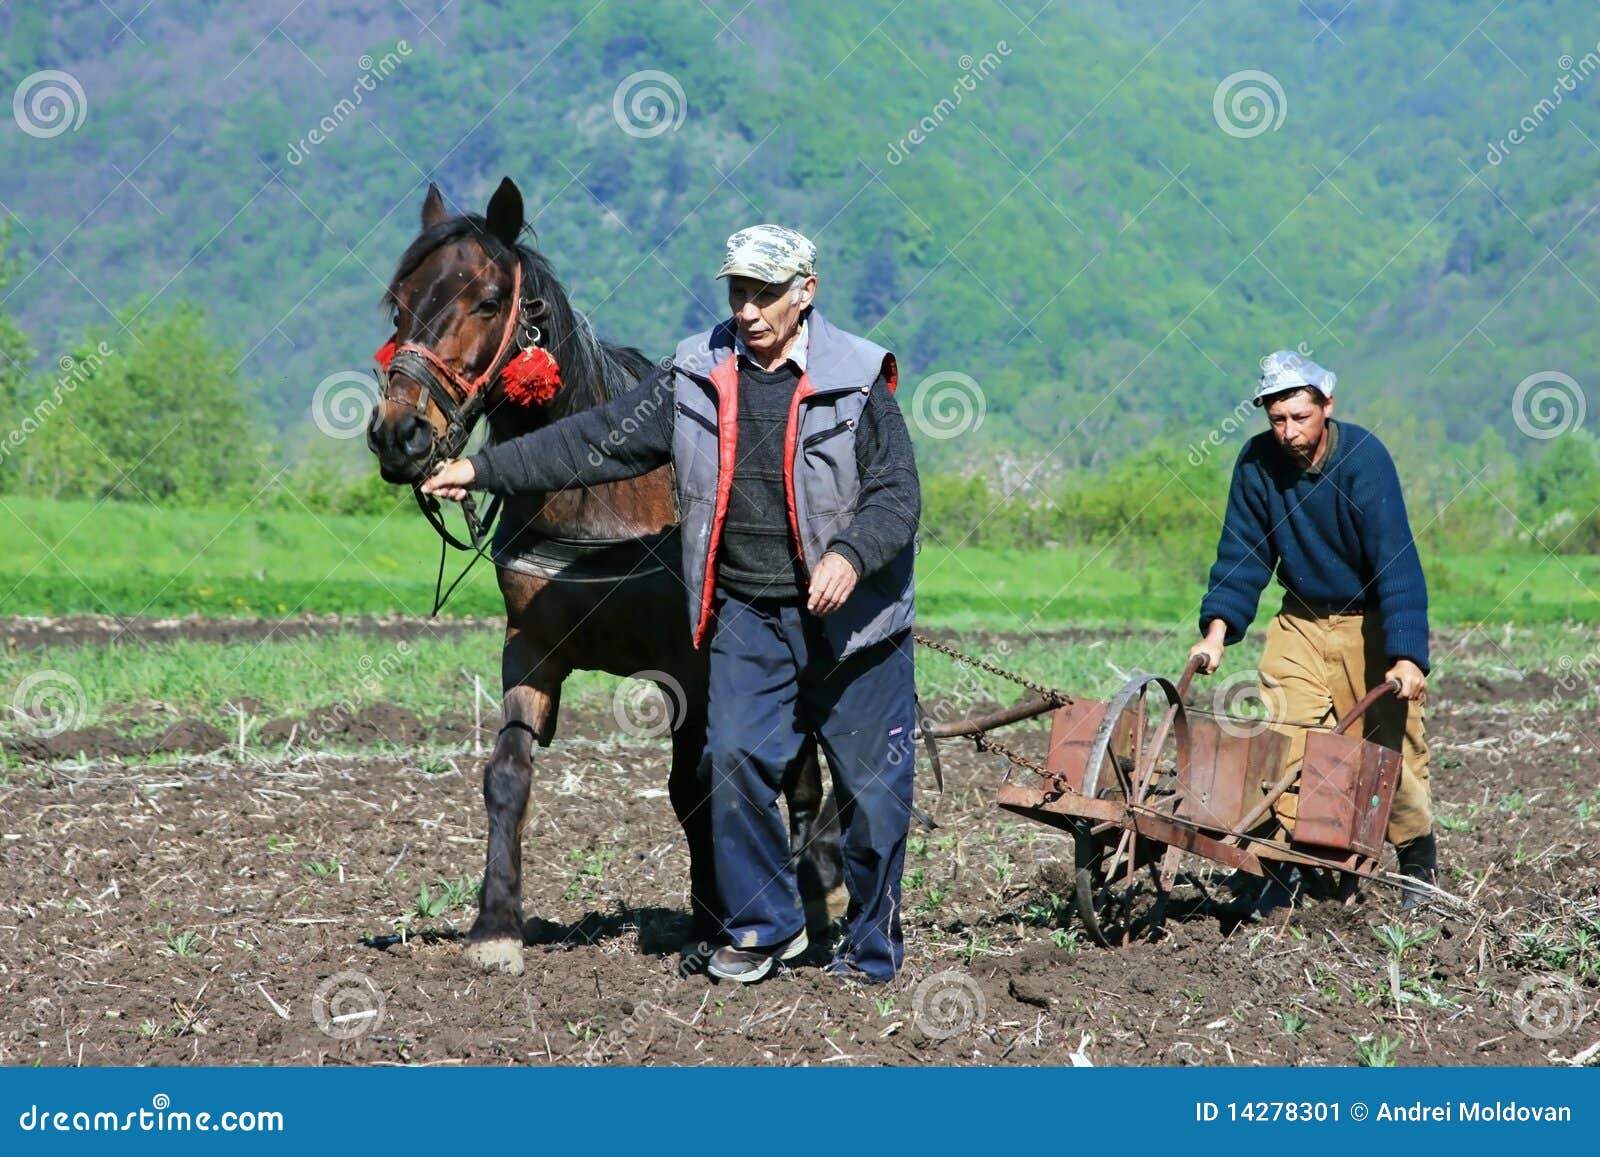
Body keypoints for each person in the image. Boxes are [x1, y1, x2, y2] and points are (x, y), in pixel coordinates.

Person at [425, 224, 921, 982]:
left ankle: (871, 950)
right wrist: (482, 468)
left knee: (872, 791)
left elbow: (896, 495)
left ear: (805, 293)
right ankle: (763, 928)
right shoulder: (696, 373)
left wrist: (851, 556)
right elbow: (594, 443)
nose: (749, 310)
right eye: (738, 292)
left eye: (765, 293)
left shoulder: (857, 377)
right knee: (730, 761)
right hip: (750, 610)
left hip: (851, 620)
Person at [1188, 350, 1437, 916]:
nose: (1288, 431)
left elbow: (1396, 561)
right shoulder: (1257, 465)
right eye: (1277, 420)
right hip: (1300, 618)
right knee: (1285, 737)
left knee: (1387, 751)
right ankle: (1289, 869)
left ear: (1327, 405)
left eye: (1300, 417)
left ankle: (1418, 863)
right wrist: (1216, 634)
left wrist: (1406, 656)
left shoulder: (1365, 459)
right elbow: (1242, 555)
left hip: (1366, 621)